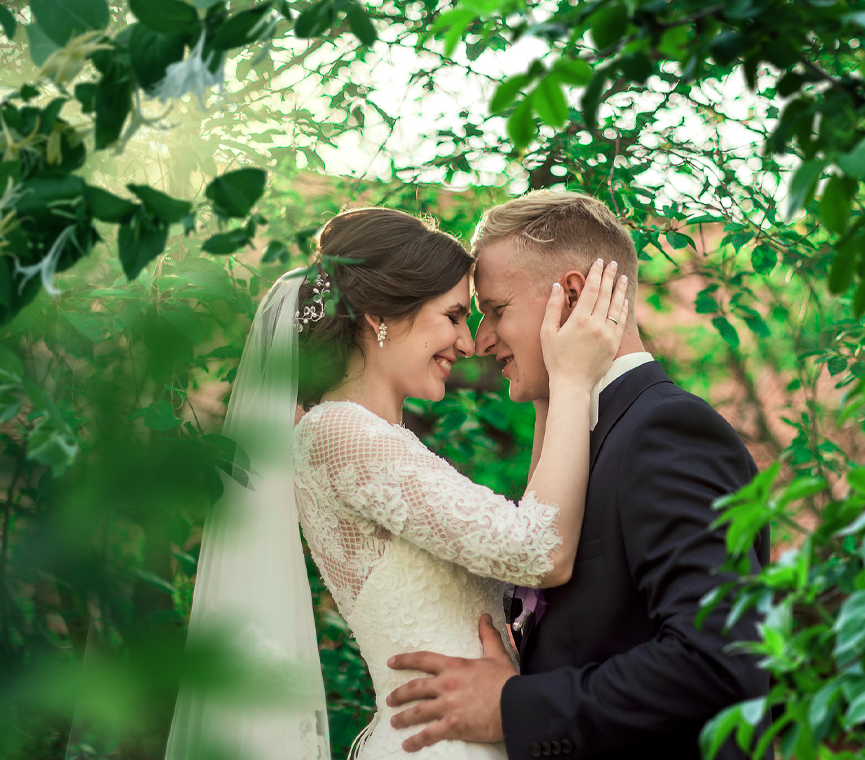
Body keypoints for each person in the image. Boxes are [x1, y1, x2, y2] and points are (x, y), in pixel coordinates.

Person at [165, 207, 629, 760]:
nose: (467, 342)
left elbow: (529, 533)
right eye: (454, 316)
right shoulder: (339, 433)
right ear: (379, 315)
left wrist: (551, 385)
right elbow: (539, 551)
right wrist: (574, 378)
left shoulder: (377, 439)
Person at [384, 191, 771, 760]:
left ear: (570, 294)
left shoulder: (666, 430)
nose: (480, 340)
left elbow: (721, 660)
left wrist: (514, 706)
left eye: (495, 309)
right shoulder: (584, 438)